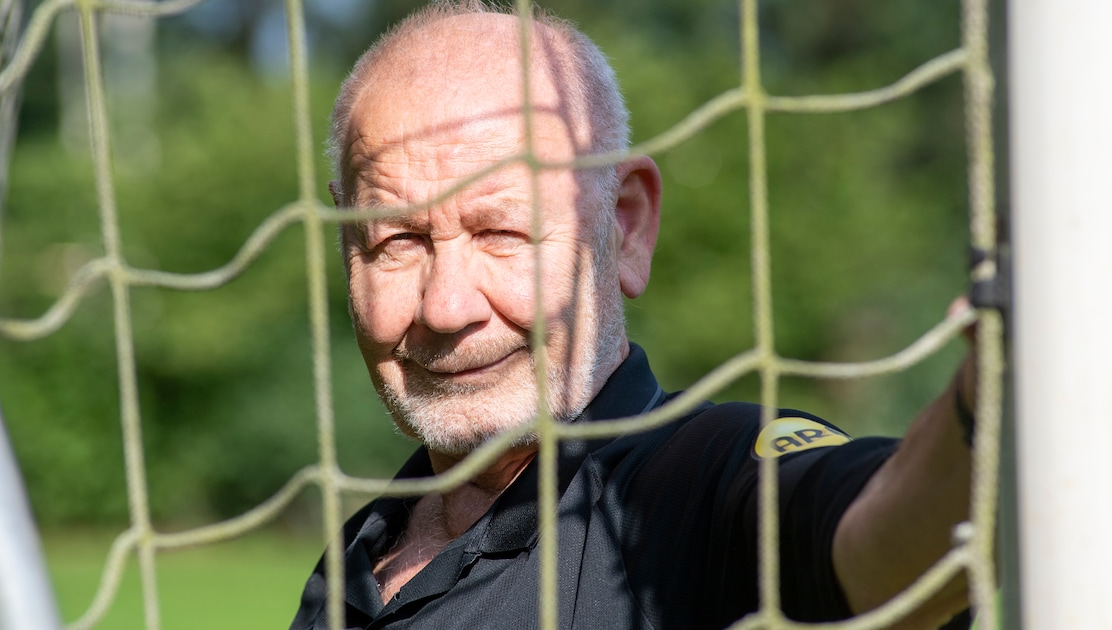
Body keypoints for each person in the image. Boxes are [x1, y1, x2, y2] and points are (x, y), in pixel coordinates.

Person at [290, 2, 976, 628]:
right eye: (397, 241)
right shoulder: (352, 561)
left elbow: (880, 554)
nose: (446, 307)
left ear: (627, 227)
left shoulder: (698, 490)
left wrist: (995, 396)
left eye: (502, 233)